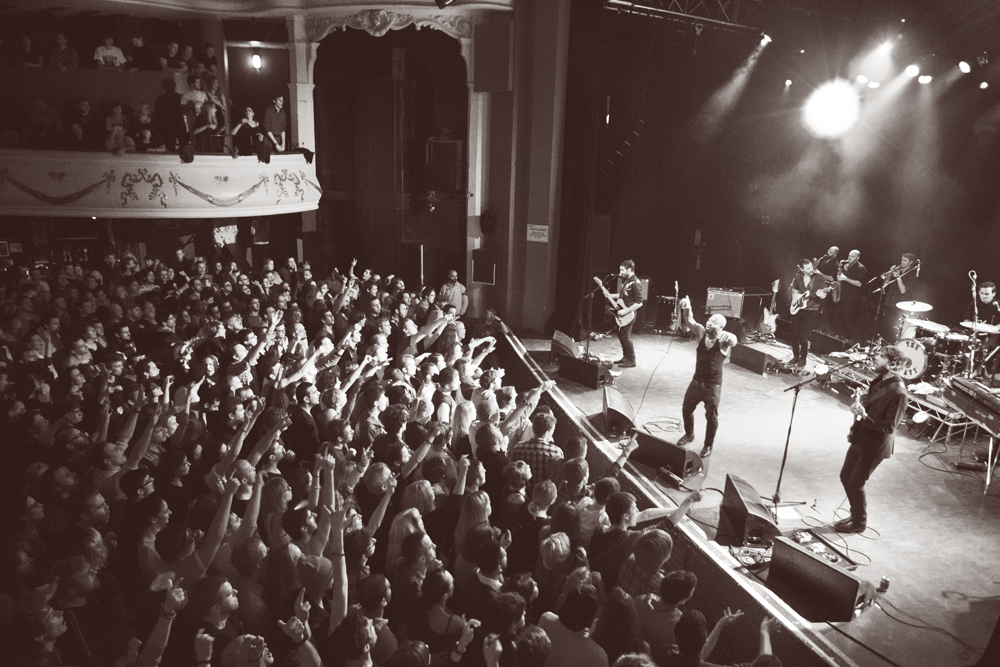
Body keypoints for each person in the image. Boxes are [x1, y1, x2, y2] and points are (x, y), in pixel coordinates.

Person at [836, 345, 909, 534]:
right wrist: (858, 408)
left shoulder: (899, 393)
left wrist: (865, 416)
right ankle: (855, 514)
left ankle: (859, 523)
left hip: (875, 444)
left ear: (892, 364)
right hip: (862, 437)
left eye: (881, 356)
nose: (875, 358)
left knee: (855, 482)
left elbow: (889, 427)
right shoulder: (878, 381)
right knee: (845, 476)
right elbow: (871, 407)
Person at [676, 297, 736, 459]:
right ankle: (689, 434)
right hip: (696, 382)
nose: (709, 323)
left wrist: (728, 336)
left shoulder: (723, 341)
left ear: (721, 326)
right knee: (686, 409)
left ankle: (708, 444)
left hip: (713, 386)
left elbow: (734, 341)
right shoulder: (702, 332)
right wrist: (687, 306)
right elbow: (689, 320)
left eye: (713, 322)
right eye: (709, 320)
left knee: (712, 417)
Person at [787, 258, 830, 367]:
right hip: (799, 309)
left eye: (811, 267)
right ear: (801, 269)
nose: (811, 269)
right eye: (808, 268)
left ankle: (803, 358)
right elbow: (795, 290)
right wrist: (793, 302)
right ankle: (795, 356)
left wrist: (822, 295)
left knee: (804, 336)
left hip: (812, 310)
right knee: (794, 334)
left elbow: (823, 294)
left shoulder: (819, 278)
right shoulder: (798, 277)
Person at [611, 260, 643, 368]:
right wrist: (610, 295)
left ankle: (632, 359)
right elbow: (621, 295)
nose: (620, 272)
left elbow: (639, 303)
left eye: (622, 270)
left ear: (629, 269)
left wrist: (626, 311)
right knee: (621, 335)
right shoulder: (626, 280)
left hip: (629, 314)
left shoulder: (635, 283)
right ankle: (626, 357)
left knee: (625, 336)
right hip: (623, 313)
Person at [881, 252, 920, 342]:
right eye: (902, 260)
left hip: (899, 304)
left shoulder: (912, 275)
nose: (902, 262)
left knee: (894, 329)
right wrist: (890, 274)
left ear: (911, 262)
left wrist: (898, 277)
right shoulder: (897, 271)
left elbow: (903, 290)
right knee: (885, 327)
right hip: (889, 302)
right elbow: (885, 284)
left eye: (905, 260)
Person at [835, 249, 867, 343]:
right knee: (838, 316)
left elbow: (859, 284)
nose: (849, 258)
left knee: (847, 317)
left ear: (858, 258)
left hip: (851, 297)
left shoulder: (861, 268)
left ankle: (847, 339)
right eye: (849, 255)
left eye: (852, 256)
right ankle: (838, 335)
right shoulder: (845, 265)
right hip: (841, 294)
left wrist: (845, 279)